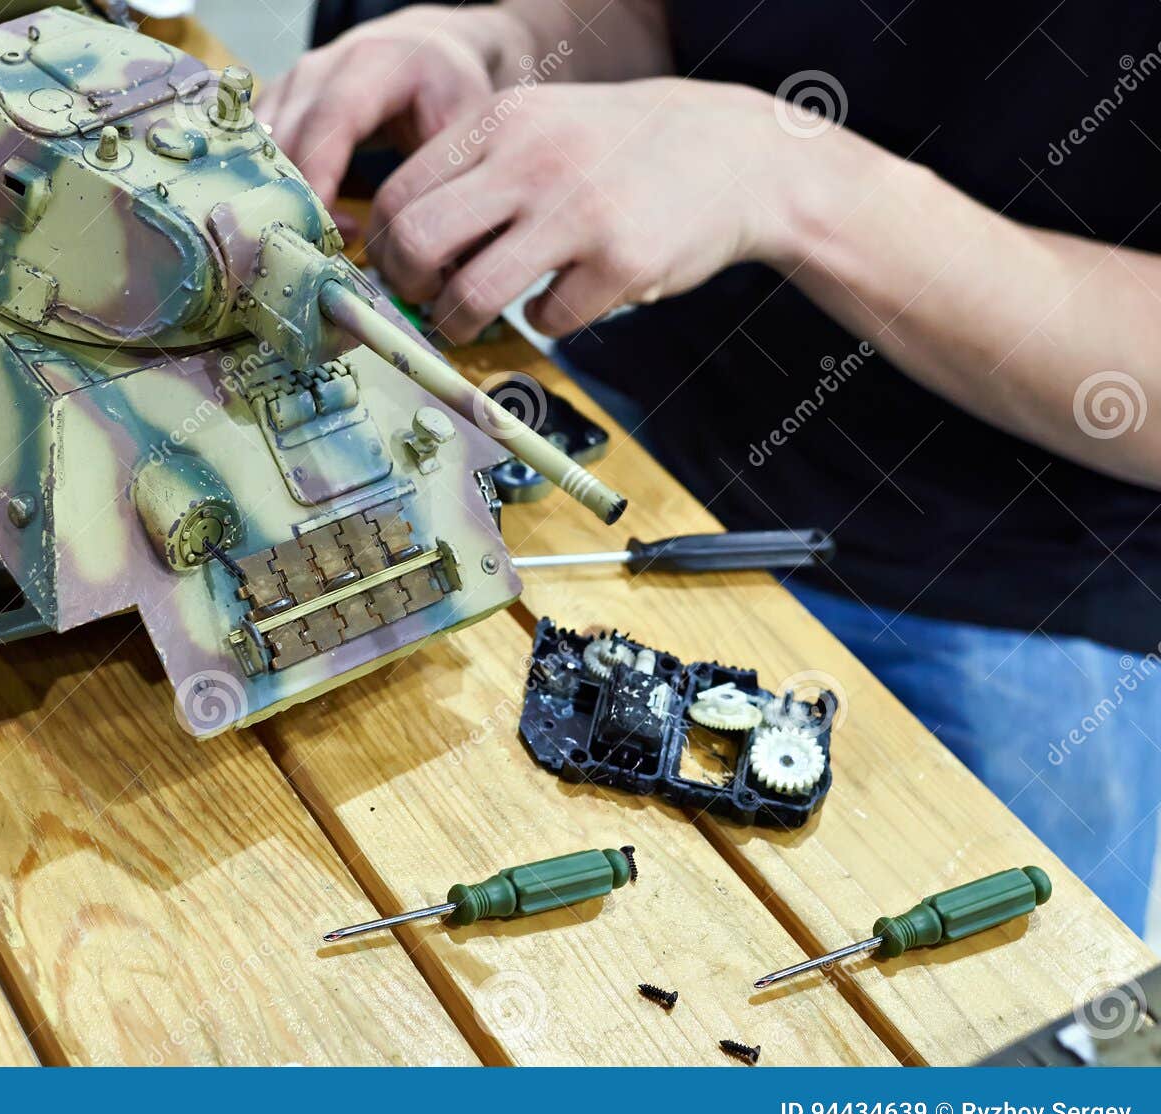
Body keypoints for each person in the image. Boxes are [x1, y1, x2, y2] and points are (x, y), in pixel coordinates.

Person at [262, 1, 1161, 941]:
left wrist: (793, 176)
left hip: (1007, 596)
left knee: (974, 1041)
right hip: (652, 423)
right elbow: (683, 18)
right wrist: (510, 42)